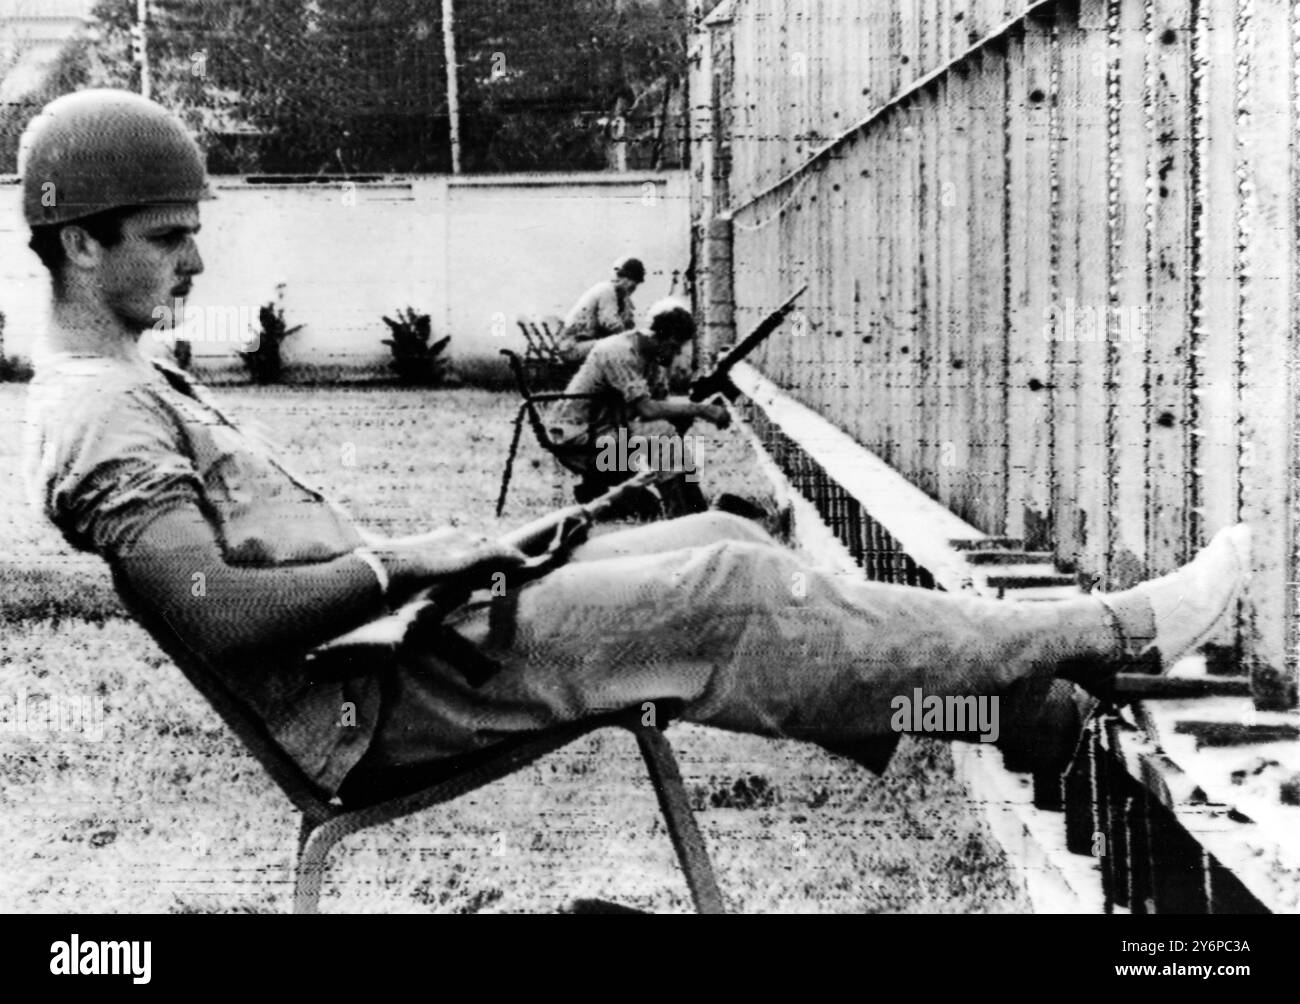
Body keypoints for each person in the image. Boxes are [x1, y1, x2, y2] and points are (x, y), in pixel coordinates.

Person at [21, 90, 1252, 810]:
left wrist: (448, 556)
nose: (194, 262)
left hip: (416, 644)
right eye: (167, 236)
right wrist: (418, 560)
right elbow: (227, 619)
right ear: (80, 243)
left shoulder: (123, 383)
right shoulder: (99, 415)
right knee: (727, 593)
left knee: (720, 535)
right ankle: (1111, 631)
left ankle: (1029, 716)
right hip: (385, 701)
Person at [546, 298, 730, 517]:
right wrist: (701, 410)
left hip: (607, 427)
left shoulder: (651, 357)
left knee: (670, 433)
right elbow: (648, 410)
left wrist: (690, 410)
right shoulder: (619, 352)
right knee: (664, 436)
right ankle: (681, 514)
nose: (674, 355)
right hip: (577, 433)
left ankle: (695, 506)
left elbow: (660, 405)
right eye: (673, 347)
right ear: (657, 337)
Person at [556, 257, 644, 364]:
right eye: (631, 284)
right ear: (622, 278)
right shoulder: (606, 291)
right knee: (619, 348)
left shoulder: (623, 299)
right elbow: (610, 322)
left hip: (588, 344)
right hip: (572, 347)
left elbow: (628, 324)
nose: (632, 289)